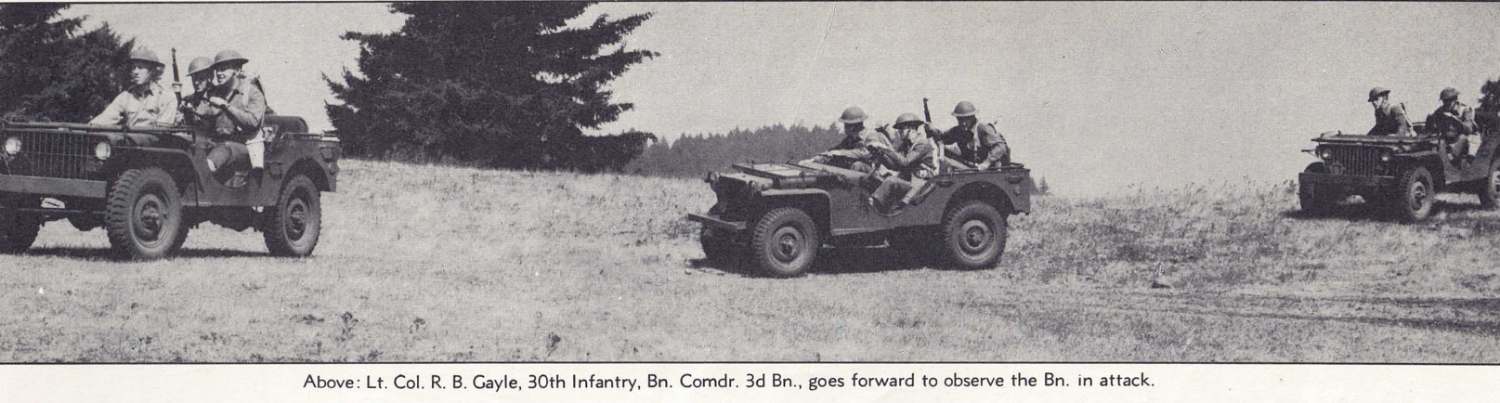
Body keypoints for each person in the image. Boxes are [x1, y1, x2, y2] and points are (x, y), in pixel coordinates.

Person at [200, 50, 267, 186]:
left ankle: (203, 176)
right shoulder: (215, 92)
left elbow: (253, 122)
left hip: (244, 147)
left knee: (224, 149)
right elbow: (204, 119)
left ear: (236, 70)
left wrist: (226, 106)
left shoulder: (251, 92)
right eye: (217, 69)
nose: (219, 73)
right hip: (217, 143)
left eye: (224, 69)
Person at [89, 48, 180, 128]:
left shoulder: (166, 97)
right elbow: (106, 118)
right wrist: (89, 127)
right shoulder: (125, 96)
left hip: (154, 145)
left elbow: (163, 131)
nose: (135, 72)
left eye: (140, 68)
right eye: (133, 68)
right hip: (129, 143)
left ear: (152, 71)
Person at [867, 112, 937, 212]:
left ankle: (873, 206)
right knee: (883, 179)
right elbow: (894, 166)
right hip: (911, 181)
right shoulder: (906, 145)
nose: (899, 132)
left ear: (911, 129)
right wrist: (880, 154)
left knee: (891, 181)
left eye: (901, 129)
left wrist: (886, 149)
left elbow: (905, 162)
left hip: (922, 185)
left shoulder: (922, 143)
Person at [935, 101, 1009, 169]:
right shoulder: (958, 131)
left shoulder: (982, 129)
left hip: (989, 171)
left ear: (973, 117)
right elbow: (942, 138)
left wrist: (986, 163)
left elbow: (1001, 147)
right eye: (960, 119)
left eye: (967, 119)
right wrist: (932, 131)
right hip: (970, 168)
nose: (963, 123)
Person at [811, 106, 886, 173]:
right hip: (861, 174)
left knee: (857, 165)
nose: (845, 128)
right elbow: (834, 150)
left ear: (853, 126)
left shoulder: (871, 136)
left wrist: (839, 153)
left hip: (877, 174)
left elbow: (865, 153)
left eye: (846, 125)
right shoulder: (850, 139)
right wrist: (819, 158)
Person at [1426, 87, 1479, 164]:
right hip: (1450, 138)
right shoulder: (1441, 110)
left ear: (1455, 100)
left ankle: (1454, 160)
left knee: (1463, 138)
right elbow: (1433, 125)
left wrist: (1454, 119)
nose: (1446, 103)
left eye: (1448, 101)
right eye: (1444, 101)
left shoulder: (1465, 109)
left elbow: (1468, 129)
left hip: (1468, 138)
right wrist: (1430, 120)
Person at [178, 56, 215, 128]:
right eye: (194, 79)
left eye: (201, 78)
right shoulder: (188, 100)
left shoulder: (219, 96)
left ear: (210, 77)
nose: (196, 82)